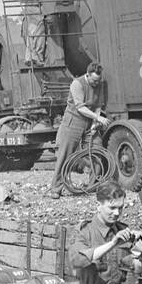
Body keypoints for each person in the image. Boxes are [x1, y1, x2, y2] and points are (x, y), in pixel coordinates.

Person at [49, 62, 110, 197]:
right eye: (93, 80)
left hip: (90, 122)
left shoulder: (100, 84)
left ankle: (93, 185)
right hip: (73, 121)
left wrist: (95, 123)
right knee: (64, 155)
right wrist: (98, 118)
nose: (96, 83)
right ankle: (56, 188)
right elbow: (80, 107)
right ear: (87, 75)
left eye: (98, 81)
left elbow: (99, 106)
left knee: (97, 150)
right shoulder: (77, 84)